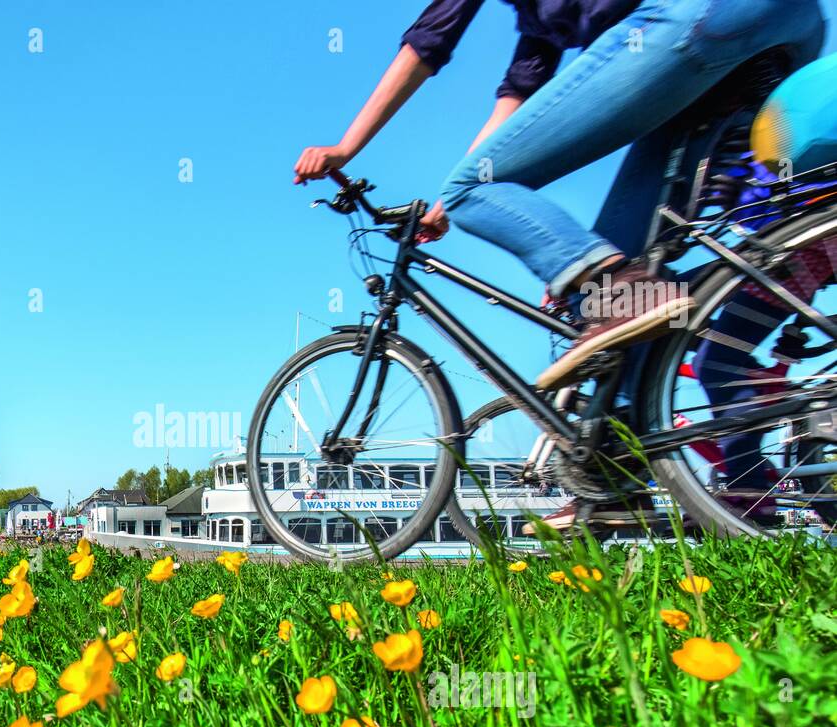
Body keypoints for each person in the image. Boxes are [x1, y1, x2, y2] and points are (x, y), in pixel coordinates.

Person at [294, 0, 825, 530]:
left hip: (701, 18)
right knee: (635, 281)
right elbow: (516, 96)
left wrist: (348, 147)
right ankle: (616, 478)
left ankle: (616, 292)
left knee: (498, 208)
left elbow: (430, 40)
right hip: (786, 30)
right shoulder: (539, 25)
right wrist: (446, 203)